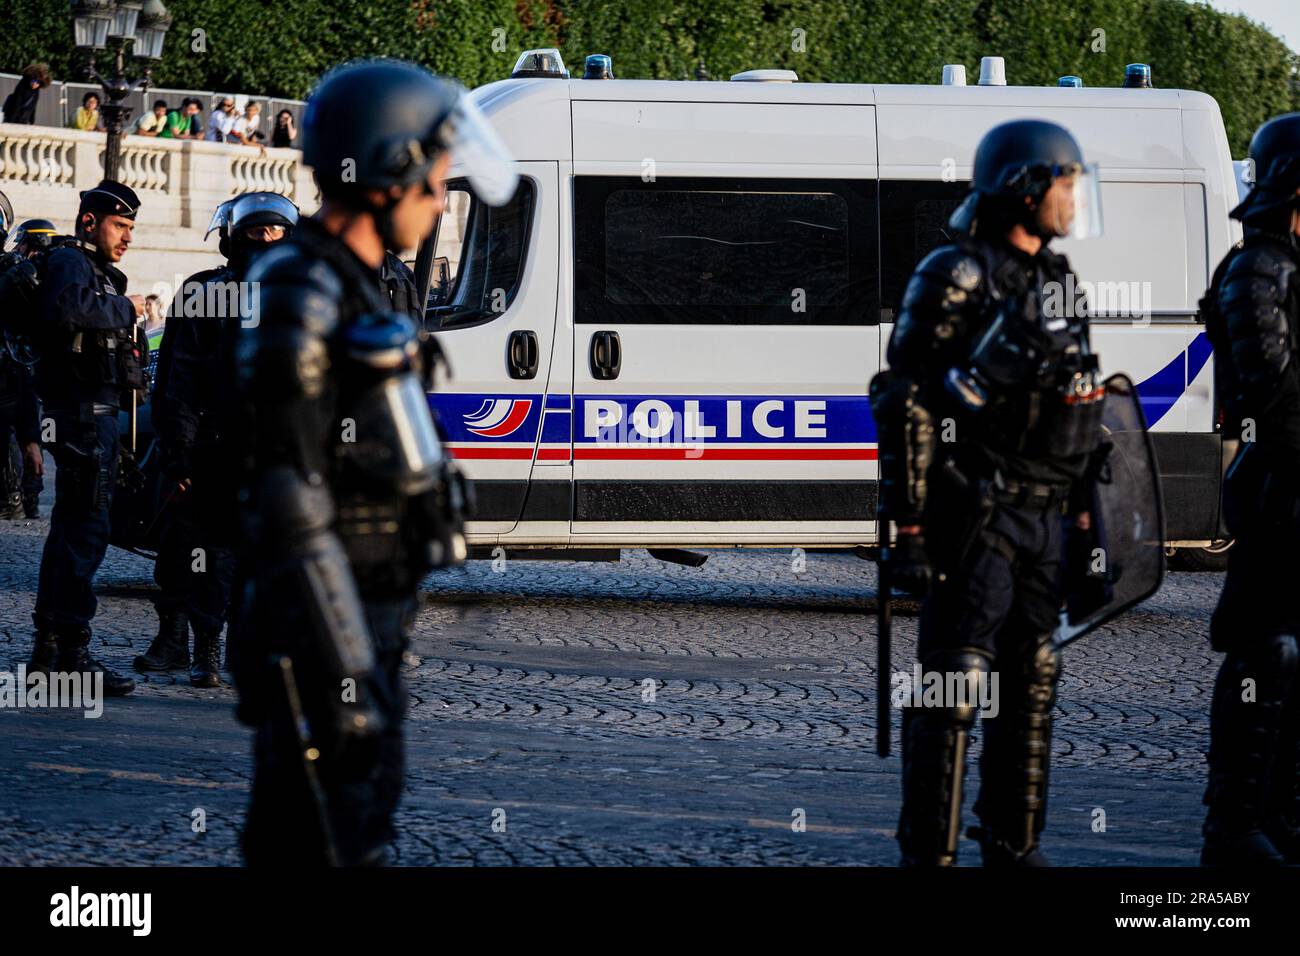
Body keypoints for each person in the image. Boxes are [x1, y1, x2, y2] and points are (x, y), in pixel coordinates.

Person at [233, 59, 511, 866]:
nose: (441, 193)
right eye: (434, 174)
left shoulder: (351, 280)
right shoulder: (303, 287)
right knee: (316, 838)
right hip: (323, 630)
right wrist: (345, 665)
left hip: (367, 610)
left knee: (361, 832)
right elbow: (287, 492)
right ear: (389, 170)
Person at [872, 120, 1108, 866]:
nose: (1073, 198)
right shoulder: (955, 272)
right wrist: (908, 528)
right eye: (1064, 183)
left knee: (1032, 680)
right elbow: (904, 398)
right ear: (1023, 187)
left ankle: (1014, 844)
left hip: (1044, 513)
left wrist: (1085, 511)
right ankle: (930, 855)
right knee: (954, 686)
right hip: (974, 510)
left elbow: (1080, 398)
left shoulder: (1059, 280)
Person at [135, 192, 298, 687]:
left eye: (276, 233)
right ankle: (204, 650)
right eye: (256, 233)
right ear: (234, 238)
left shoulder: (304, 294)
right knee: (205, 554)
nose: (266, 242)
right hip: (216, 447)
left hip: (279, 450)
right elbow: (179, 380)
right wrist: (179, 452)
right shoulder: (205, 293)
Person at [1200, 112, 1300, 866]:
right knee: (1264, 651)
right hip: (1277, 486)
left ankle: (1281, 813)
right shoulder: (1258, 268)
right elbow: (1275, 391)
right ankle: (1234, 823)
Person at [27, 181, 148, 696]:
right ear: (89, 222)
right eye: (119, 226)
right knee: (86, 531)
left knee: (74, 530)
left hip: (87, 416)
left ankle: (51, 649)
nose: (126, 238)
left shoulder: (89, 267)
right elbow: (67, 311)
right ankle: (70, 653)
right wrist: (129, 308)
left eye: (130, 229)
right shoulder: (72, 262)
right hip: (81, 417)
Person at [0, 218, 57, 520]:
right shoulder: (54, 273)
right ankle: (27, 497)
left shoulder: (19, 273)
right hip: (35, 378)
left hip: (16, 372)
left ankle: (18, 498)